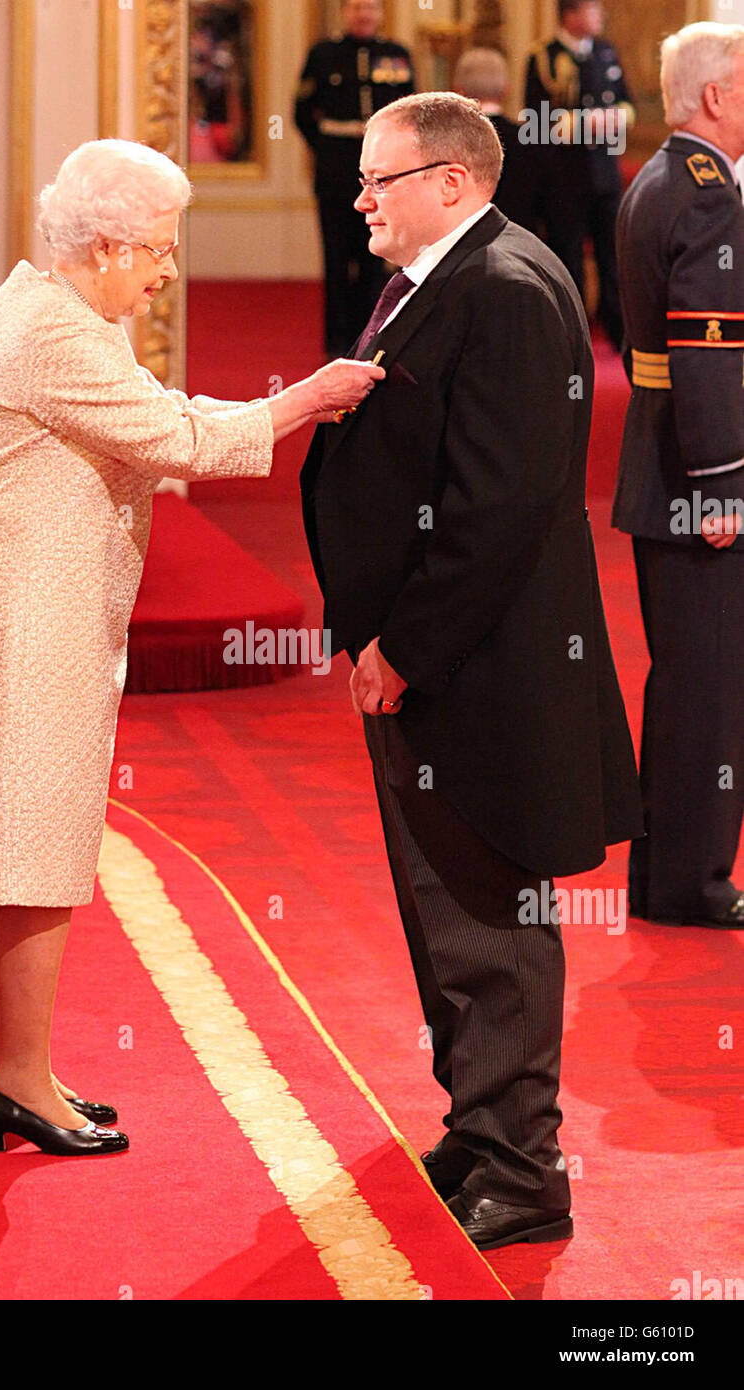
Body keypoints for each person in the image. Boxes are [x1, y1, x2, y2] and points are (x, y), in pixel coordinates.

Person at [0, 138, 383, 1158]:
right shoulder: (62, 338)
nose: (168, 272)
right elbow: (180, 444)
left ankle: (13, 1067)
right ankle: (23, 1078)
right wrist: (309, 396)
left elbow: (160, 417)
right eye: (161, 251)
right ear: (110, 245)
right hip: (31, 608)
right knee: (35, 842)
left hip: (23, 597)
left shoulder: (51, 310)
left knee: (27, 840)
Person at [300, 93, 643, 1250]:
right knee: (446, 914)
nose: (360, 202)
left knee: (490, 919)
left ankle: (524, 1165)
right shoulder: (457, 272)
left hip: (485, 678)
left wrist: (403, 648)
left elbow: (495, 506)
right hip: (450, 667)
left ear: (450, 179)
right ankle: (479, 1123)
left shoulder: (503, 287)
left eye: (377, 181)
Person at [613, 22, 744, 929]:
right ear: (715, 98)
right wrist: (722, 484)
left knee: (686, 679)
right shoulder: (705, 197)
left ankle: (668, 874)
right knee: (708, 688)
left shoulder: (660, 178)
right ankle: (690, 885)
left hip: (662, 463)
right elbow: (707, 351)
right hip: (696, 474)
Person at [294, 0, 414, 358]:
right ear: (344, 12)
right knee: (335, 259)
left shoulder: (396, 53)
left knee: (374, 258)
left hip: (383, 174)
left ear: (380, 14)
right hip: (335, 170)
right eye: (357, 7)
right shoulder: (323, 53)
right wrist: (328, 149)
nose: (364, 15)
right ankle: (335, 345)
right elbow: (301, 112)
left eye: (371, 8)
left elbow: (411, 110)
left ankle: (368, 339)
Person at [525, 0, 633, 347]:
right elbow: (536, 123)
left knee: (611, 256)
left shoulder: (606, 52)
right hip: (564, 178)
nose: (600, 15)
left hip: (605, 175)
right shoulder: (543, 57)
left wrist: (613, 119)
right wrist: (588, 123)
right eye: (593, 9)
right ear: (571, 14)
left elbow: (626, 106)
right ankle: (571, 334)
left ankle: (617, 330)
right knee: (567, 257)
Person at [454, 46, 543, 235]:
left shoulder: (447, 143)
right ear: (506, 90)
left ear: (458, 91)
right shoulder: (531, 141)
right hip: (520, 249)